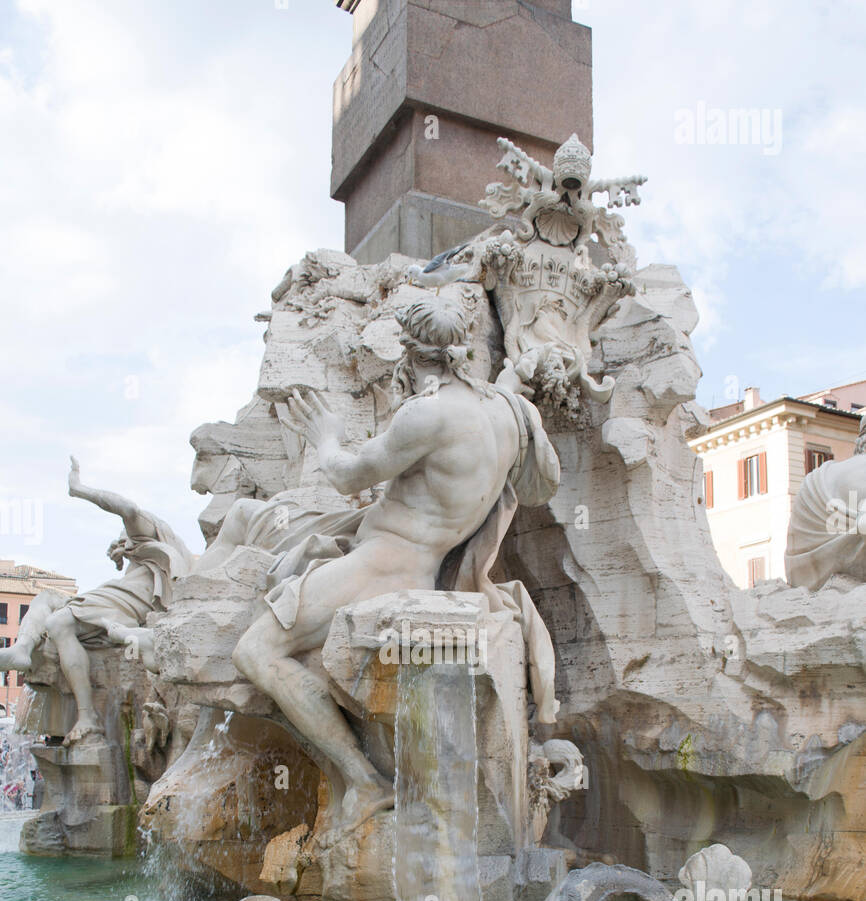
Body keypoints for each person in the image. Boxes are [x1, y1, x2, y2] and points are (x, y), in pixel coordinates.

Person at [231, 296, 560, 846]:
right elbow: (532, 486)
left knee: (254, 650)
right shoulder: (509, 413)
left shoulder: (426, 415)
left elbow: (345, 473)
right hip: (423, 563)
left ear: (410, 354)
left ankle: (363, 782)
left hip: (385, 566)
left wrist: (326, 435)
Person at [0, 459, 195, 743]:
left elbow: (127, 509)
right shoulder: (143, 558)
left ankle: (87, 716)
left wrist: (79, 489)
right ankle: (23, 648)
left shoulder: (148, 530)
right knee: (46, 597)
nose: (120, 544)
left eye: (123, 539)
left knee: (58, 622)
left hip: (127, 606)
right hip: (114, 601)